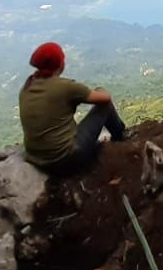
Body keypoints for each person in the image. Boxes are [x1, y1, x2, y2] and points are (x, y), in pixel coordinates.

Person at [19, 42, 126, 174]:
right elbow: (106, 99)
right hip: (67, 160)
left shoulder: (27, 87)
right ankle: (120, 137)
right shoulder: (66, 87)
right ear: (60, 64)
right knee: (104, 102)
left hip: (36, 159)